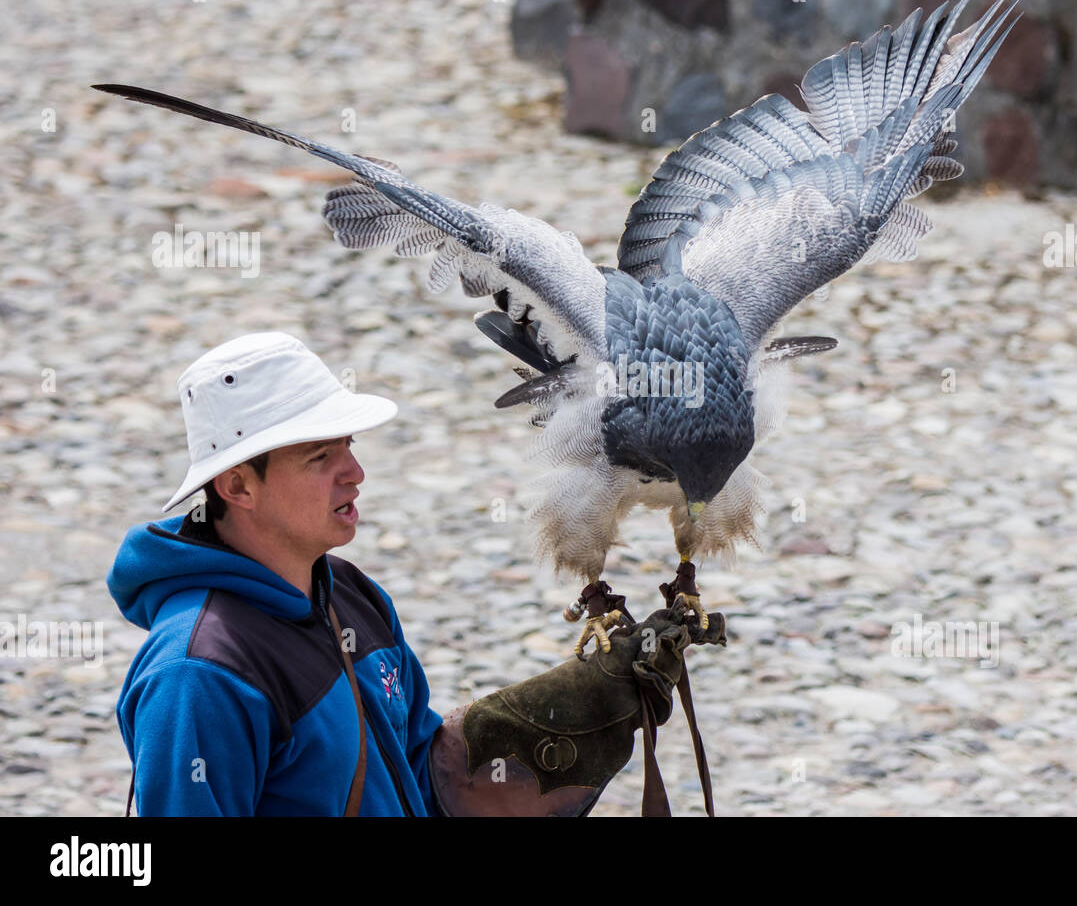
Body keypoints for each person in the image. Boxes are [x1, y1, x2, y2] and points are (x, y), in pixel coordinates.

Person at [107, 332, 721, 816]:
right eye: (320, 457)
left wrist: (587, 701)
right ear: (237, 485)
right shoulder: (200, 673)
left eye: (348, 445)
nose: (355, 472)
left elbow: (419, 774)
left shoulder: (347, 593)